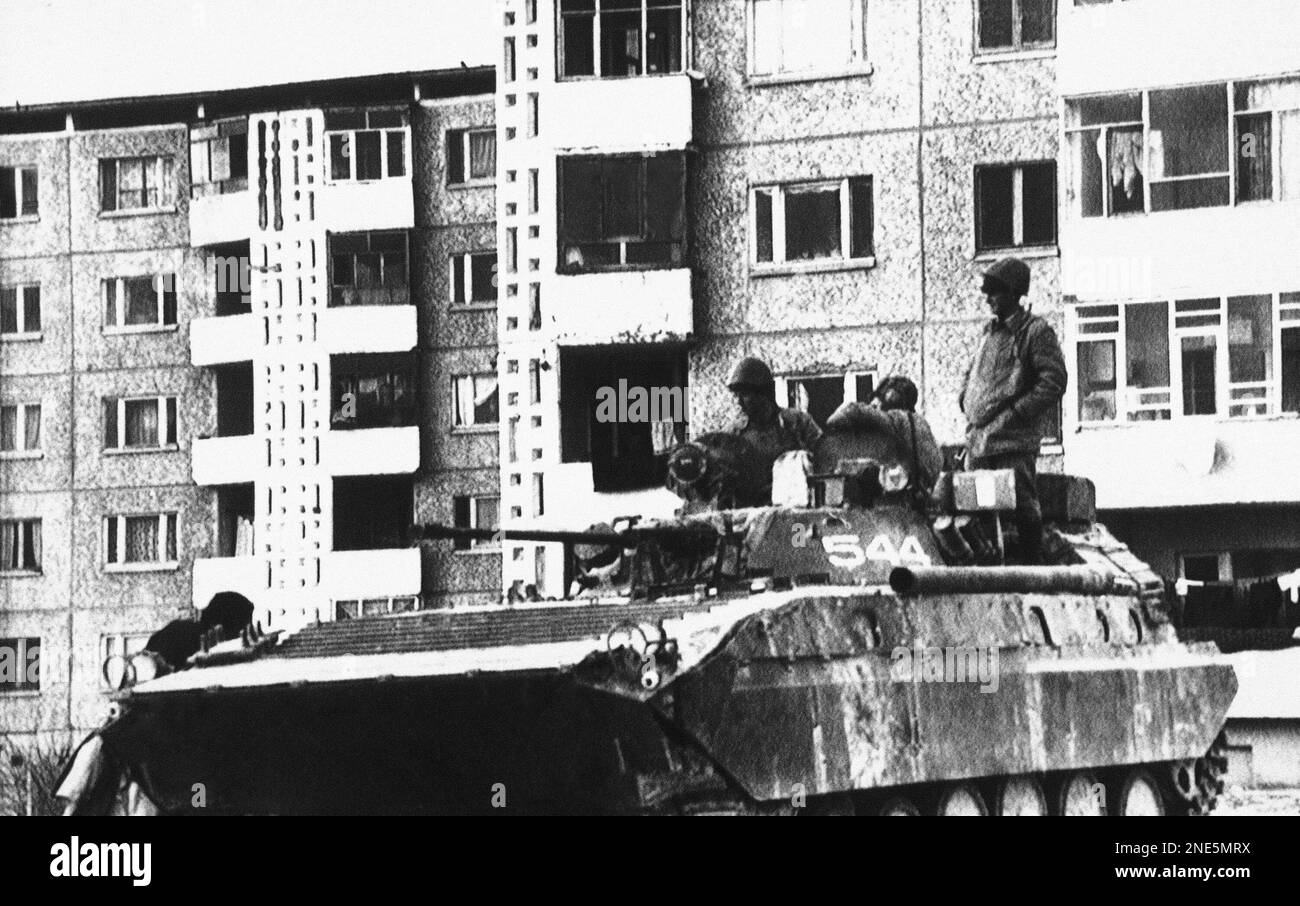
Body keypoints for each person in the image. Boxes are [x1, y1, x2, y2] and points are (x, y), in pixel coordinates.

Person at [959, 257, 1067, 564]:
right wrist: (965, 398)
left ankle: (1032, 567)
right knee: (976, 506)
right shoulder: (989, 333)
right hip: (980, 438)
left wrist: (1018, 413)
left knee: (1022, 504)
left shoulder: (1034, 332)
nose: (989, 299)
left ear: (1012, 292)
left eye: (995, 292)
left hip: (1013, 440)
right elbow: (973, 373)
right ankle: (987, 564)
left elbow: (1053, 382)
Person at [724, 357, 823, 503]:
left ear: (763, 393)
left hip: (794, 507)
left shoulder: (797, 423)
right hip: (751, 513)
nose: (739, 402)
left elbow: (824, 458)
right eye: (736, 396)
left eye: (745, 395)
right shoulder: (734, 433)